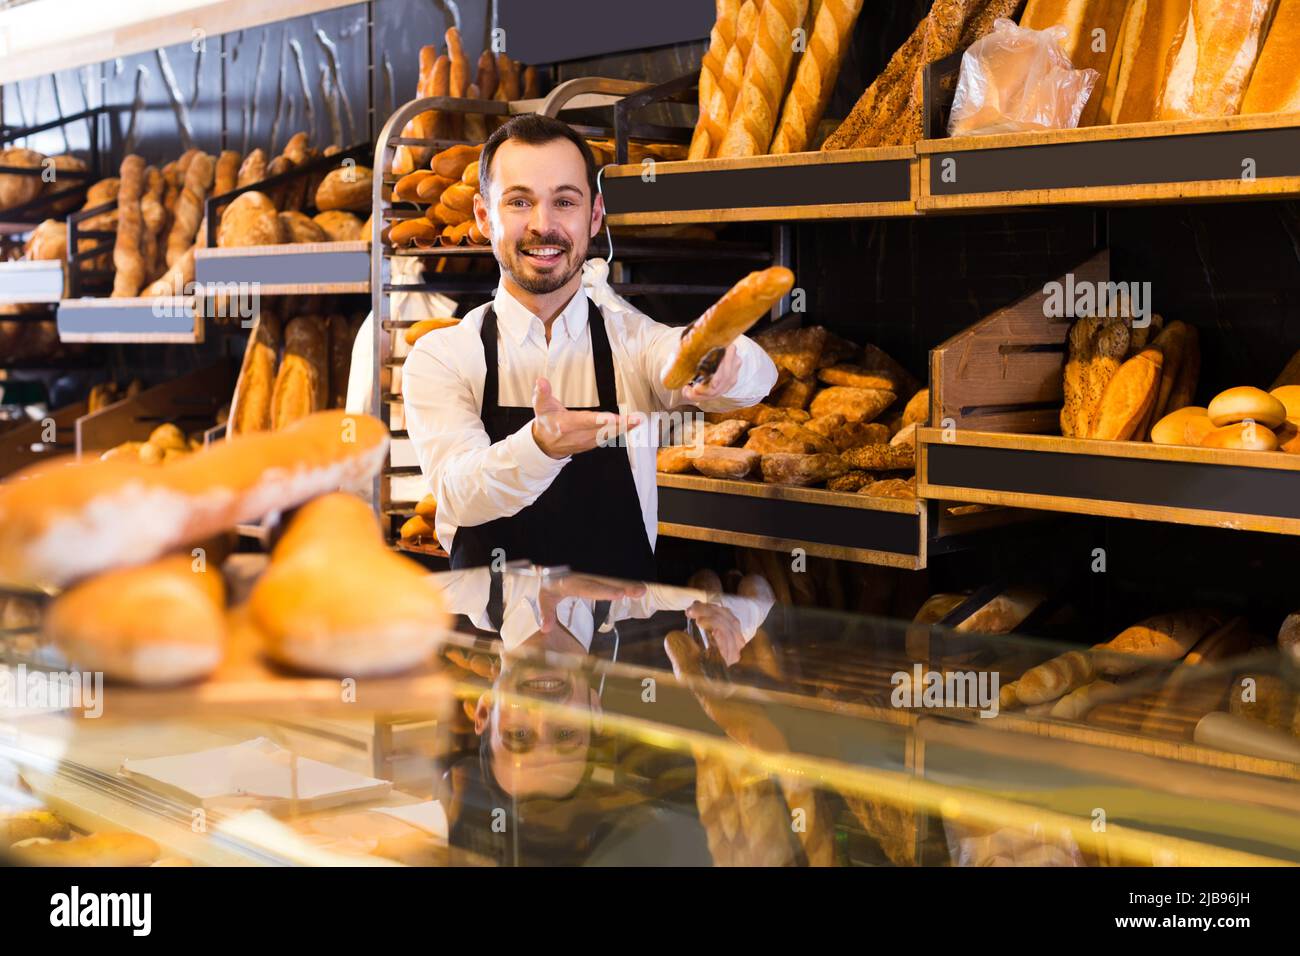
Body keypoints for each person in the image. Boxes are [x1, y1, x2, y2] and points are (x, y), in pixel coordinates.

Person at [402, 114, 778, 582]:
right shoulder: (444, 356)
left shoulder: (632, 342)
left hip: (620, 642)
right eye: (519, 202)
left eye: (564, 201)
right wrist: (541, 447)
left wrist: (721, 361)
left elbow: (755, 380)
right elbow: (461, 493)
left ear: (594, 215)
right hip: (488, 649)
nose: (544, 225)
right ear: (483, 217)